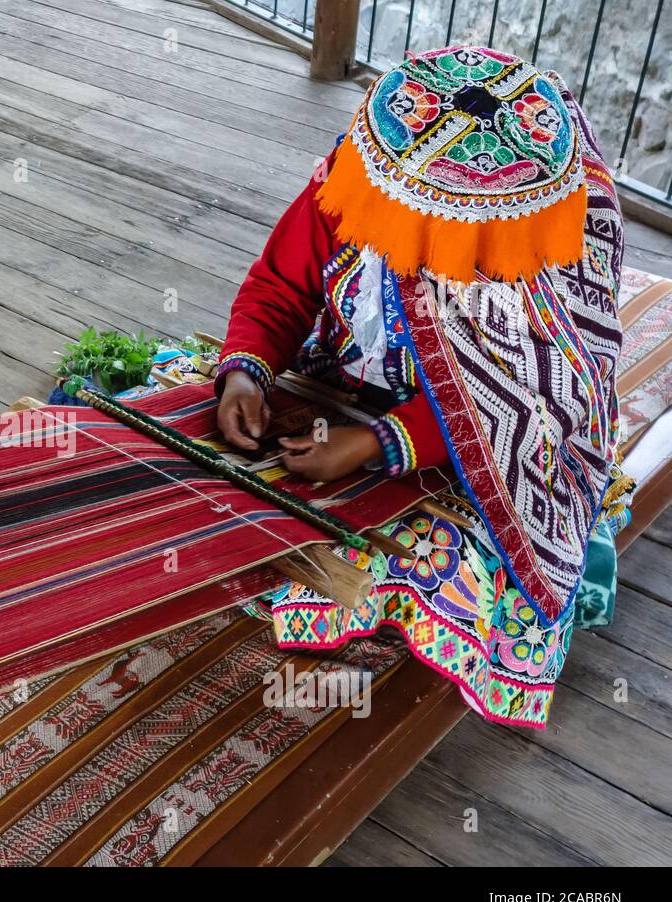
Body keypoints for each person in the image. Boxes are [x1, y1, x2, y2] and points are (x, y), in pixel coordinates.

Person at [215, 46, 631, 727]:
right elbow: (282, 283)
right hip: (342, 389)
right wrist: (245, 367)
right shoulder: (367, 168)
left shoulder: (527, 230)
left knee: (455, 566)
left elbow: (529, 397)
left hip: (483, 444)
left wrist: (377, 444)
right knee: (211, 477)